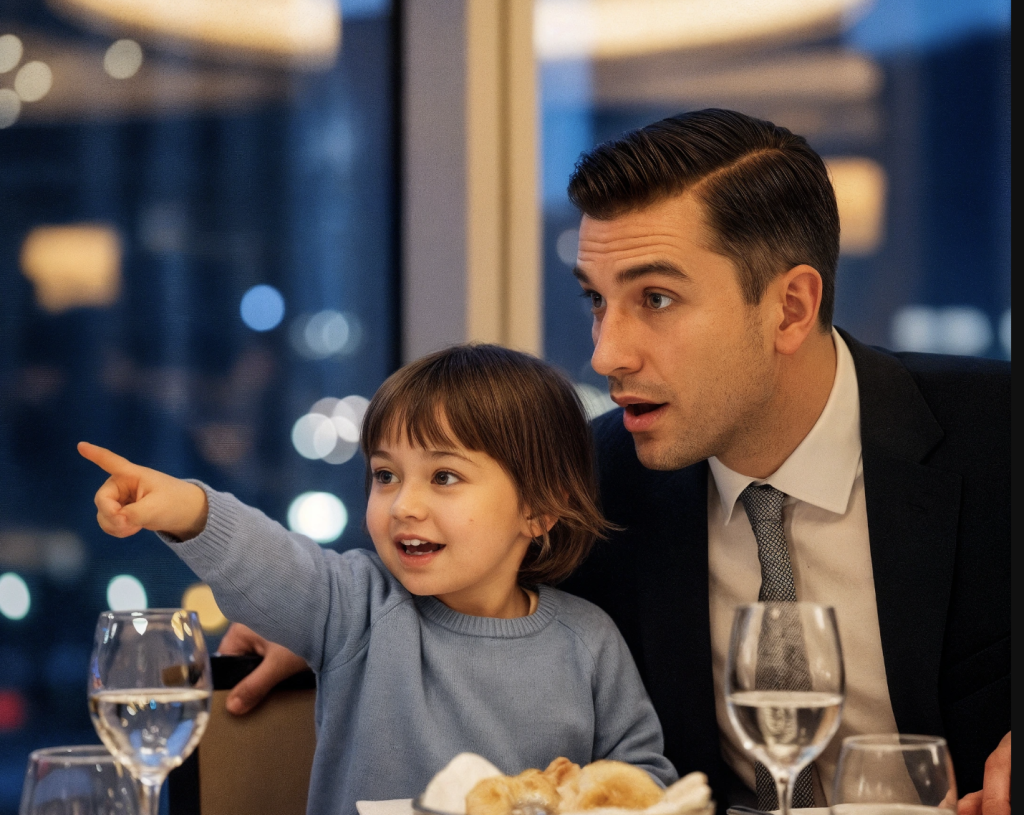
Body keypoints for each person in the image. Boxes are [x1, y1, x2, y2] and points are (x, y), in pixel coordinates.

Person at [214, 110, 1011, 814]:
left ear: (790, 307)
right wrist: (340, 624)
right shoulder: (589, 487)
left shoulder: (995, 434)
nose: (606, 352)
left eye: (655, 299)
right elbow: (471, 564)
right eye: (596, 298)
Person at [79, 344, 678, 815]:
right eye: (386, 475)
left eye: (444, 477)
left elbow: (642, 780)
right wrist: (187, 508)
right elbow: (274, 566)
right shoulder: (359, 607)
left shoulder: (588, 639)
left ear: (540, 509)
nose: (403, 506)